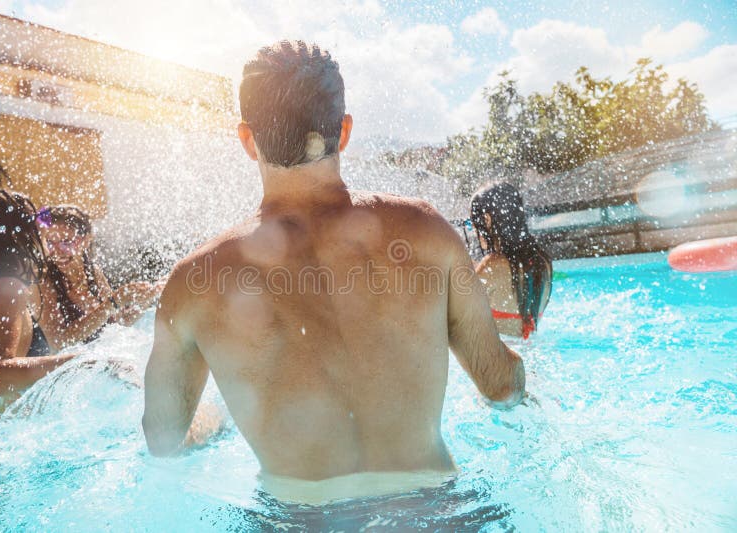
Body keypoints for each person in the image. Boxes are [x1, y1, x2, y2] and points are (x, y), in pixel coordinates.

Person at [142, 41, 525, 500]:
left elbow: (162, 440)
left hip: (297, 520)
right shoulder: (427, 231)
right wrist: (528, 378)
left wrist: (212, 420)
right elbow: (500, 384)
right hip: (436, 508)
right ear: (342, 132)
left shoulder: (193, 281)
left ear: (247, 139)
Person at [0, 189, 75, 398]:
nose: (43, 226)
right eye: (36, 218)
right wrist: (81, 361)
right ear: (14, 231)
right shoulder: (6, 289)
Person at [36, 205, 162, 350]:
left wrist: (147, 299)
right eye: (50, 243)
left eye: (66, 242)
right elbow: (59, 343)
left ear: (86, 240)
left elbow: (118, 324)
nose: (57, 251)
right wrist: (113, 302)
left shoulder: (93, 273)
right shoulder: (46, 282)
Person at [470, 183, 552, 339]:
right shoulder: (543, 262)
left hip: (498, 355)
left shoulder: (492, 265)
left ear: (487, 219)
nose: (474, 230)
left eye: (472, 223)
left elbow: (455, 307)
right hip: (529, 347)